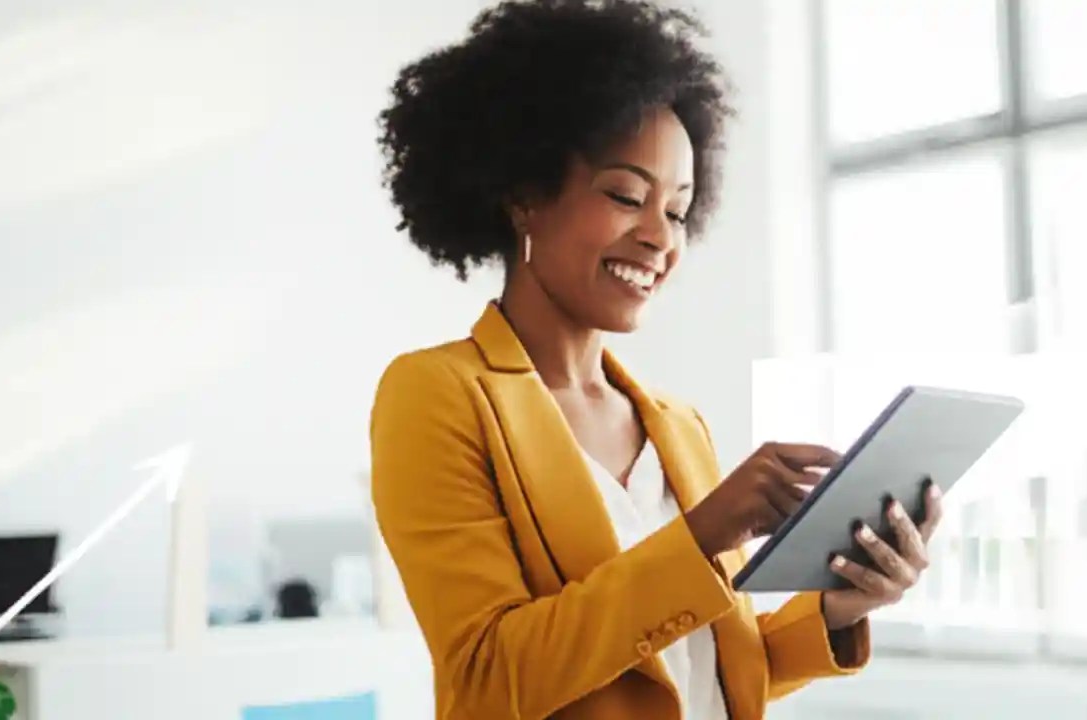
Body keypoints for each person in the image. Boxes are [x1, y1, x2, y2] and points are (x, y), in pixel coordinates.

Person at [369, 2, 942, 718]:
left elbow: (710, 665)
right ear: (523, 196)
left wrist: (836, 607)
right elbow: (490, 675)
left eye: (677, 211)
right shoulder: (437, 394)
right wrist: (704, 534)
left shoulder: (678, 425)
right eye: (625, 196)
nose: (659, 238)